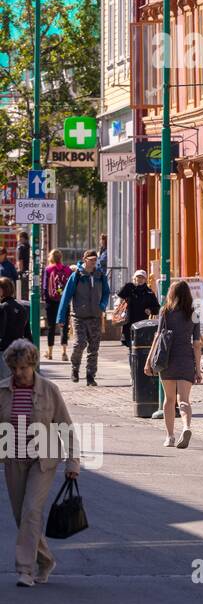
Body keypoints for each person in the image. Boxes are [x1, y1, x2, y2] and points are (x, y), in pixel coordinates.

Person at [0, 339, 79, 586]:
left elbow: (65, 426)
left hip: (42, 459)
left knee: (31, 510)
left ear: (33, 364)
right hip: (14, 458)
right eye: (14, 368)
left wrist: (72, 462)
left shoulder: (49, 390)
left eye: (23, 367)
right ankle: (45, 560)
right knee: (22, 517)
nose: (19, 373)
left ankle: (25, 570)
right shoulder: (2, 391)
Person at [155, 280, 203, 449]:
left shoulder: (165, 311)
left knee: (169, 400)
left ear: (172, 294)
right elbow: (197, 343)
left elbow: (158, 337)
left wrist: (149, 361)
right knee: (184, 400)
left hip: (167, 358)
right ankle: (186, 426)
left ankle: (169, 436)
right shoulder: (194, 313)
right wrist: (198, 369)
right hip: (186, 358)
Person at [55, 250, 110, 386]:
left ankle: (90, 376)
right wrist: (61, 317)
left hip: (95, 316)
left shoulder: (100, 275)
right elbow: (66, 296)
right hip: (79, 316)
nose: (93, 262)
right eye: (91, 259)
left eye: (95, 259)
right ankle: (75, 368)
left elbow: (106, 292)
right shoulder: (77, 275)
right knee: (80, 343)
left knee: (94, 347)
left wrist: (102, 305)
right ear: (85, 259)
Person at [115, 270, 160, 348]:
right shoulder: (129, 288)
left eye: (142, 278)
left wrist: (150, 310)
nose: (139, 279)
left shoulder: (149, 292)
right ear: (134, 278)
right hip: (128, 322)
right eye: (138, 277)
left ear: (145, 279)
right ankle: (132, 359)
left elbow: (157, 308)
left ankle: (135, 359)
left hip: (142, 324)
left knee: (139, 346)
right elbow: (120, 295)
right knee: (130, 345)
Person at [41, 250, 72, 361]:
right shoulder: (67, 269)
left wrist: (45, 299)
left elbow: (45, 287)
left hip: (51, 301)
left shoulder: (48, 269)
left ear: (51, 258)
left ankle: (50, 353)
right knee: (64, 326)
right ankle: (64, 353)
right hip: (64, 301)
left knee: (51, 327)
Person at [0, 278, 32, 381]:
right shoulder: (22, 308)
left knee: (4, 382)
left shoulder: (3, 307)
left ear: (2, 290)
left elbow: (1, 332)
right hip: (18, 350)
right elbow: (27, 333)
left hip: (4, 350)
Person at [16, 232, 29, 300]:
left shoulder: (20, 248)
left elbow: (20, 260)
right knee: (27, 290)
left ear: (21, 238)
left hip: (23, 272)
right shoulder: (29, 246)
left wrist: (20, 271)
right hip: (29, 271)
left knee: (22, 291)